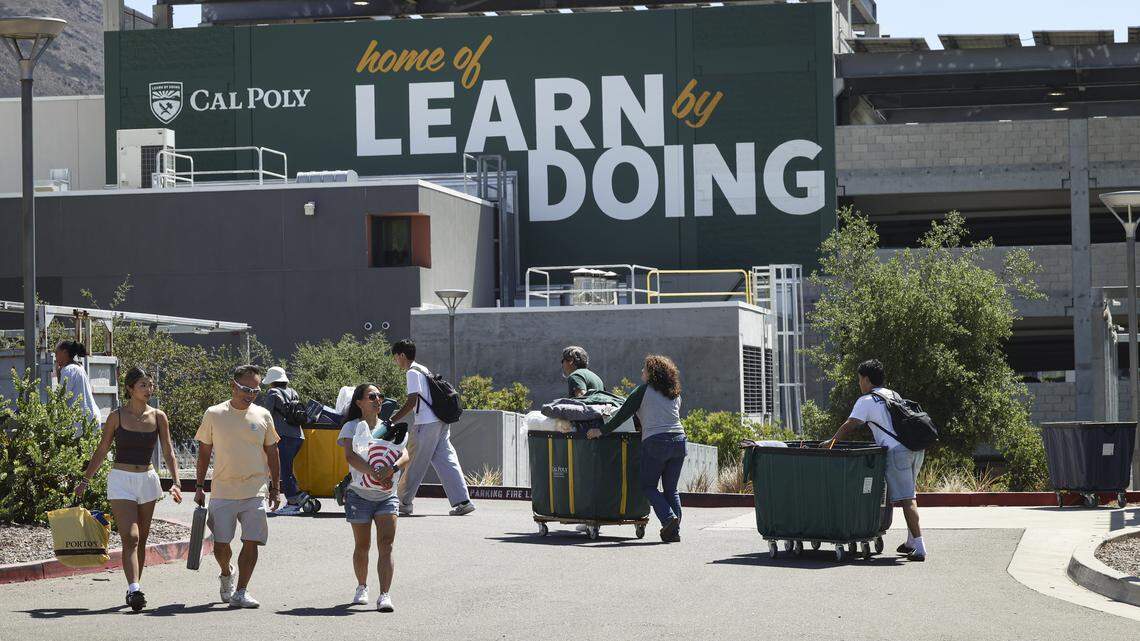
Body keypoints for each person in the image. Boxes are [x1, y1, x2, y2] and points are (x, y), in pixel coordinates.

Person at [75, 367, 182, 612]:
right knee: (130, 537)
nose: (149, 389)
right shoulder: (117, 416)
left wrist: (175, 482)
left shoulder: (158, 416)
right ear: (130, 389)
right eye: (143, 385)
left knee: (141, 539)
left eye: (150, 385)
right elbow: (102, 450)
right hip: (121, 480)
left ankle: (135, 586)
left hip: (147, 479)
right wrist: (85, 480)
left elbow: (168, 451)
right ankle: (134, 589)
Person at [194, 364, 282, 608]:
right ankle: (226, 573)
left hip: (255, 490)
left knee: (251, 540)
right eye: (246, 388)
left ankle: (242, 590)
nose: (251, 394)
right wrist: (199, 486)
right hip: (223, 490)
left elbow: (273, 453)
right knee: (221, 545)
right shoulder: (214, 414)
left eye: (256, 390)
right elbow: (204, 453)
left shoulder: (263, 415)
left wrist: (275, 488)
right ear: (233, 385)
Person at [822, 359, 926, 562]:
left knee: (907, 498)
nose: (859, 383)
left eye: (860, 379)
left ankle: (921, 548)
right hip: (915, 449)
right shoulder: (892, 394)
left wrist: (832, 441)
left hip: (898, 452)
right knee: (910, 494)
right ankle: (911, 542)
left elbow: (851, 424)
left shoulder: (867, 400)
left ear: (867, 380)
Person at [588, 355, 687, 543]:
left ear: (653, 374)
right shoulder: (675, 394)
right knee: (671, 490)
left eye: (645, 369)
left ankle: (668, 519)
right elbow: (662, 415)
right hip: (679, 441)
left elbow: (621, 416)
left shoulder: (643, 391)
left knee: (648, 485)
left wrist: (600, 431)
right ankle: (674, 530)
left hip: (657, 442)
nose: (642, 372)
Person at [338, 383, 409, 612]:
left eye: (380, 395)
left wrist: (393, 469)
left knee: (386, 545)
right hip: (359, 495)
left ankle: (385, 595)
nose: (378, 399)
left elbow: (404, 454)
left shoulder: (390, 427)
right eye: (372, 396)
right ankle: (362, 587)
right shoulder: (351, 427)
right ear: (359, 402)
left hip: (387, 495)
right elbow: (350, 456)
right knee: (363, 545)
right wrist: (376, 473)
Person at [389, 339, 475, 517]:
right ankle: (463, 501)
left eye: (395, 357)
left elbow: (412, 400)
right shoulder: (423, 369)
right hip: (441, 421)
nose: (395, 361)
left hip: (426, 424)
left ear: (402, 355)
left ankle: (403, 503)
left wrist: (392, 419)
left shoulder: (412, 372)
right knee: (447, 460)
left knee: (413, 462)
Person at [256, 366, 306, 515]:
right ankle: (298, 495)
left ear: (272, 381)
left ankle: (292, 501)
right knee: (288, 468)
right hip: (298, 436)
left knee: (284, 469)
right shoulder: (293, 392)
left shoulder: (272, 393)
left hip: (283, 437)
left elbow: (266, 415)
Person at [55, 340, 100, 434]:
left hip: (80, 421)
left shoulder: (69, 370)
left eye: (57, 353)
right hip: (91, 416)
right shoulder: (79, 367)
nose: (55, 357)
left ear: (65, 353)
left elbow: (62, 396)